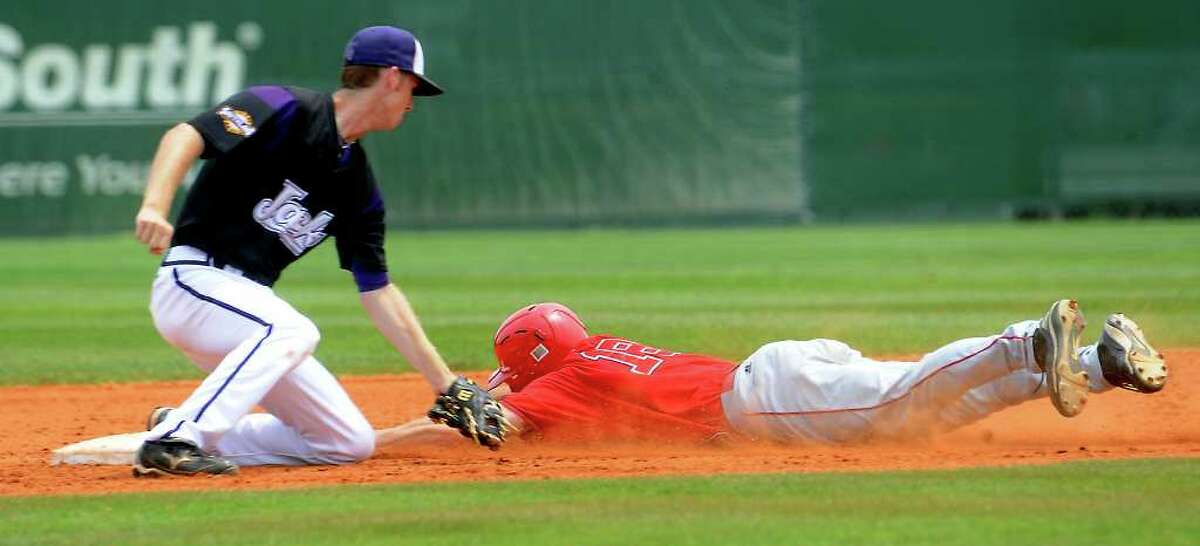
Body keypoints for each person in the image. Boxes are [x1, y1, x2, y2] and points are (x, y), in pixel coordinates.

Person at [132, 26, 504, 477]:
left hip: (246, 310)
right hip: (193, 281)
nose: (412, 102)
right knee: (292, 330)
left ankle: (181, 423)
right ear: (391, 77)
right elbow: (186, 135)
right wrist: (154, 206)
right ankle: (174, 442)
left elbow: (378, 290)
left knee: (347, 441)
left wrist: (445, 383)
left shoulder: (358, 186)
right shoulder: (284, 107)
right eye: (412, 88)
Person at [377, 300, 1167, 448]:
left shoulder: (558, 383)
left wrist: (377, 440)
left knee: (906, 397)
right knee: (922, 416)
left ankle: (1023, 341)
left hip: (766, 399)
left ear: (527, 364)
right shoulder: (596, 351)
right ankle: (1096, 365)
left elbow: (490, 424)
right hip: (784, 367)